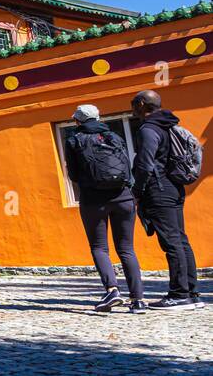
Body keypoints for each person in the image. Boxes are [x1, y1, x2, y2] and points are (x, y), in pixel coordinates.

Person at [63, 105, 145, 312]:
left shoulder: (74, 140)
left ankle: (112, 290)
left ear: (77, 121)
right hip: (124, 198)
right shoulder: (115, 136)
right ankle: (138, 301)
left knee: (99, 247)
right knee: (126, 249)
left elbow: (72, 174)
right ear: (99, 117)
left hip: (93, 201)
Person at [131, 90, 203, 309]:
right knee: (180, 240)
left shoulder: (149, 129)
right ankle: (190, 293)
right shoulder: (168, 124)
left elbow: (145, 163)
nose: (133, 109)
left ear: (142, 104)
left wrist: (137, 190)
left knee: (172, 242)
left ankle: (180, 294)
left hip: (159, 189)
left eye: (134, 105)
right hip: (174, 187)